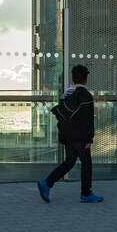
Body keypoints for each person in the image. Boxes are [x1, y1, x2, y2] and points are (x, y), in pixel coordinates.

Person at [38, 64, 102, 203]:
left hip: (67, 134)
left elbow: (62, 115)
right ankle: (86, 193)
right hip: (80, 136)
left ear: (73, 78)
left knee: (69, 161)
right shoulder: (85, 95)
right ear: (85, 79)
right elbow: (88, 119)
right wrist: (89, 138)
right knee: (86, 163)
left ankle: (47, 183)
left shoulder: (67, 93)